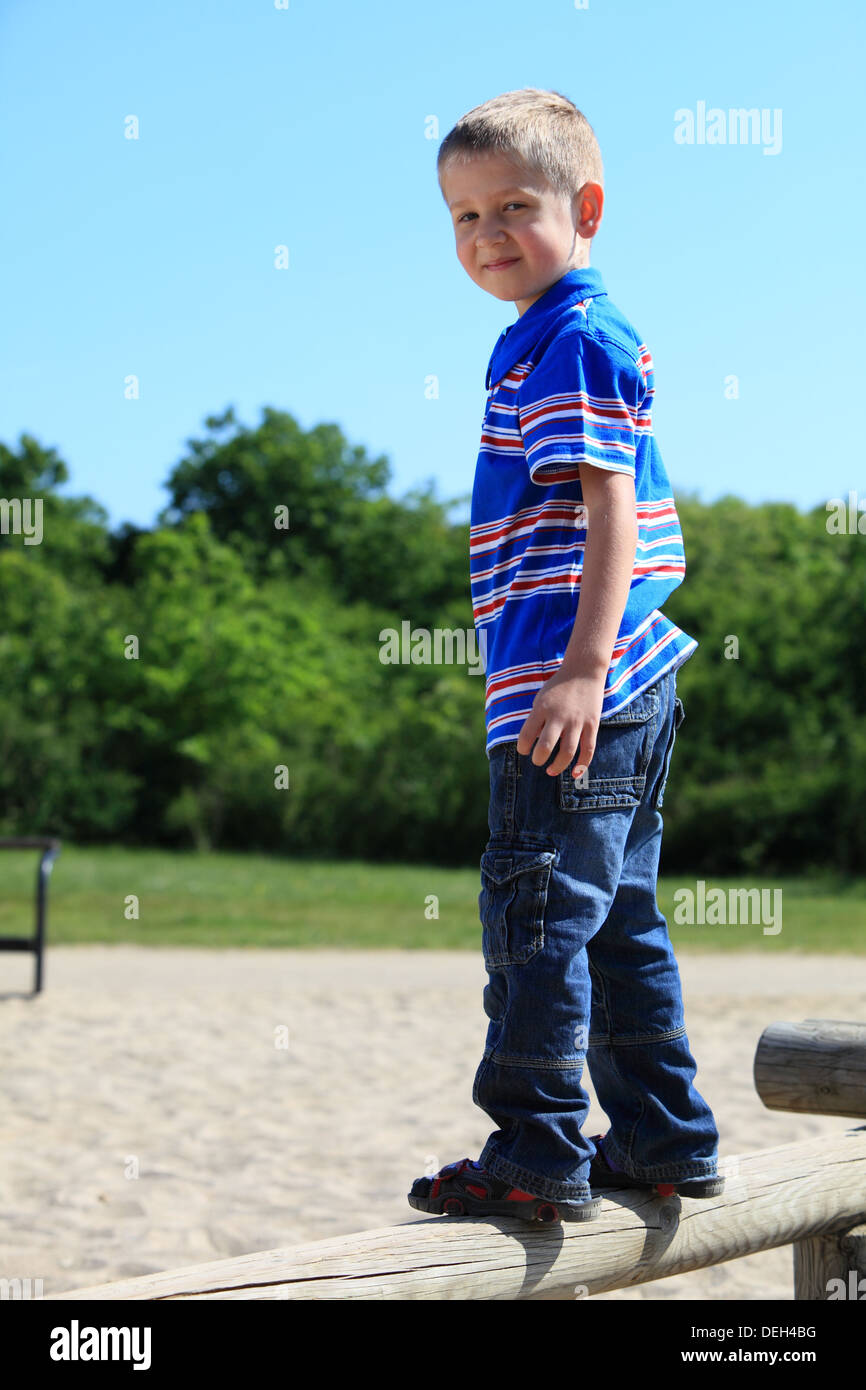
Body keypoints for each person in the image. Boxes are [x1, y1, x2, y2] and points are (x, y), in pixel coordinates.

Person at [408, 88, 724, 1224]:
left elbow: (609, 512)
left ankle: (537, 1148)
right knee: (615, 911)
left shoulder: (573, 336)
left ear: (583, 207)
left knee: (533, 909)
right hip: (616, 679)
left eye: (512, 207)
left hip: (580, 684)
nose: (486, 235)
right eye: (461, 218)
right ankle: (661, 1138)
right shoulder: (544, 335)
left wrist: (579, 669)